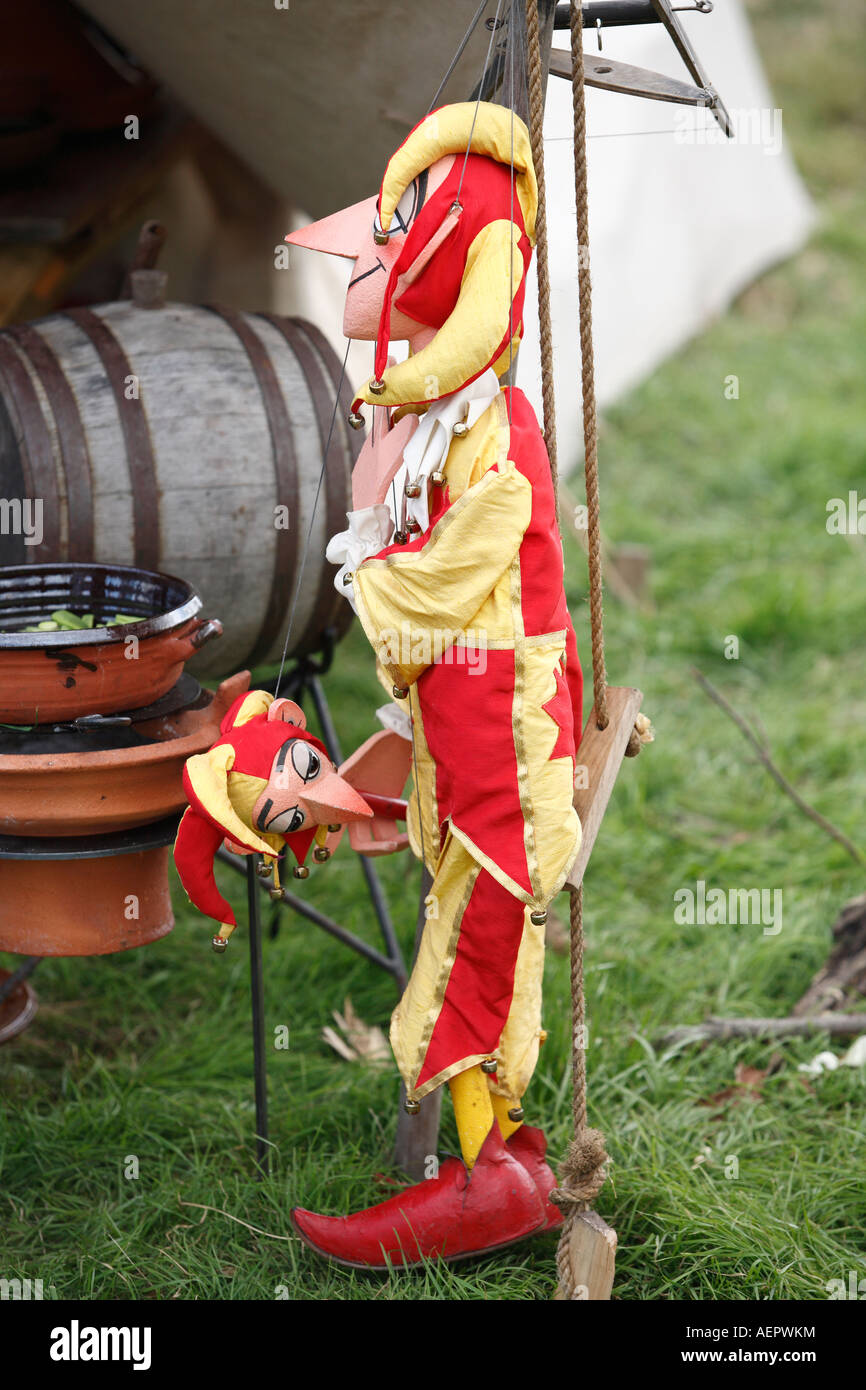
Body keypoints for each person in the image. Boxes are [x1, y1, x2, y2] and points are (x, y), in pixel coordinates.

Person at [284, 101, 584, 1268]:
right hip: (464, 731)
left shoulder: (493, 429)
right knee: (464, 914)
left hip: (505, 733)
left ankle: (484, 1174)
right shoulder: (448, 420)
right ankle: (497, 1152)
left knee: (476, 941)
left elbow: (472, 553)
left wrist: (373, 576)